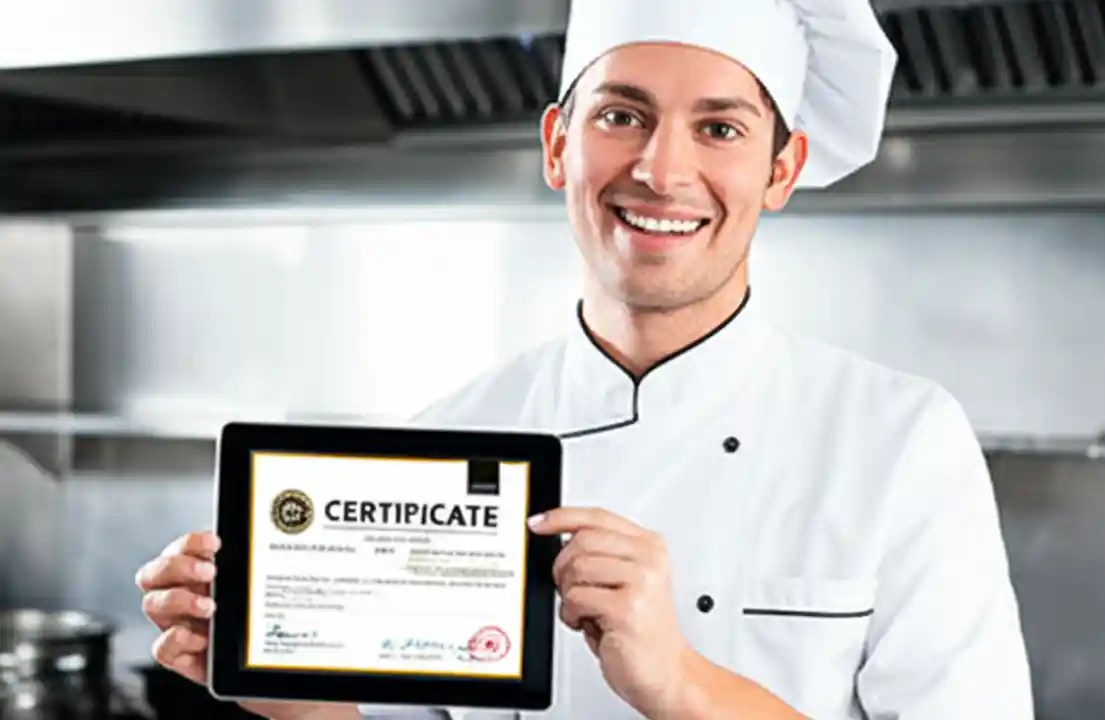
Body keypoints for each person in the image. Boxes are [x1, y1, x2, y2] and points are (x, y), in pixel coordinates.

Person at [135, 0, 1034, 717]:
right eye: (620, 115)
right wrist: (297, 703)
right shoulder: (450, 437)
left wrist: (678, 682)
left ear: (782, 168)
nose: (660, 169)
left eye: (719, 129)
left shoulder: (901, 441)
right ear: (559, 145)